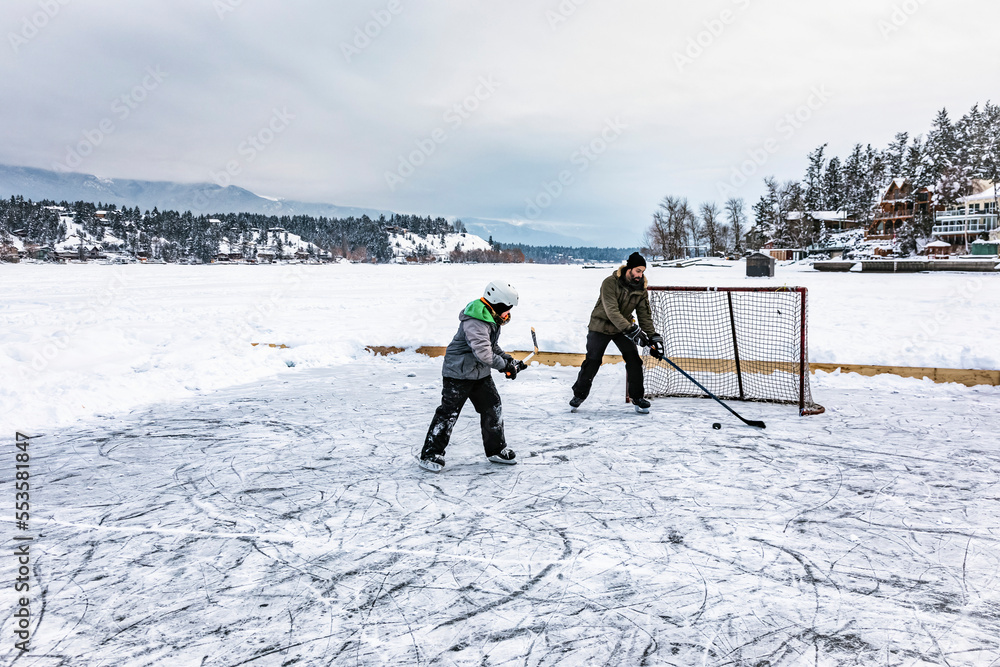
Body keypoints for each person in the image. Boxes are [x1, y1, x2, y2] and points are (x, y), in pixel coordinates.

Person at [419, 280, 525, 472]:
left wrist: (508, 360)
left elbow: (491, 347)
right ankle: (430, 453)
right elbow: (484, 353)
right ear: (496, 304)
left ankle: (496, 450)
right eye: (506, 309)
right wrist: (504, 367)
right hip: (458, 374)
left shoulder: (491, 318)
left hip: (479, 374)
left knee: (493, 407)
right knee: (448, 414)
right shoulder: (475, 320)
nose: (508, 313)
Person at [570, 252, 665, 414]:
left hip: (623, 328)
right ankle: (579, 394)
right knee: (593, 360)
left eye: (642, 271)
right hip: (600, 326)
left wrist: (653, 336)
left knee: (634, 360)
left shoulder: (641, 289)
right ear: (628, 269)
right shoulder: (610, 283)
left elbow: (644, 315)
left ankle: (637, 397)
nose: (640, 275)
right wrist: (632, 330)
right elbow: (611, 311)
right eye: (637, 270)